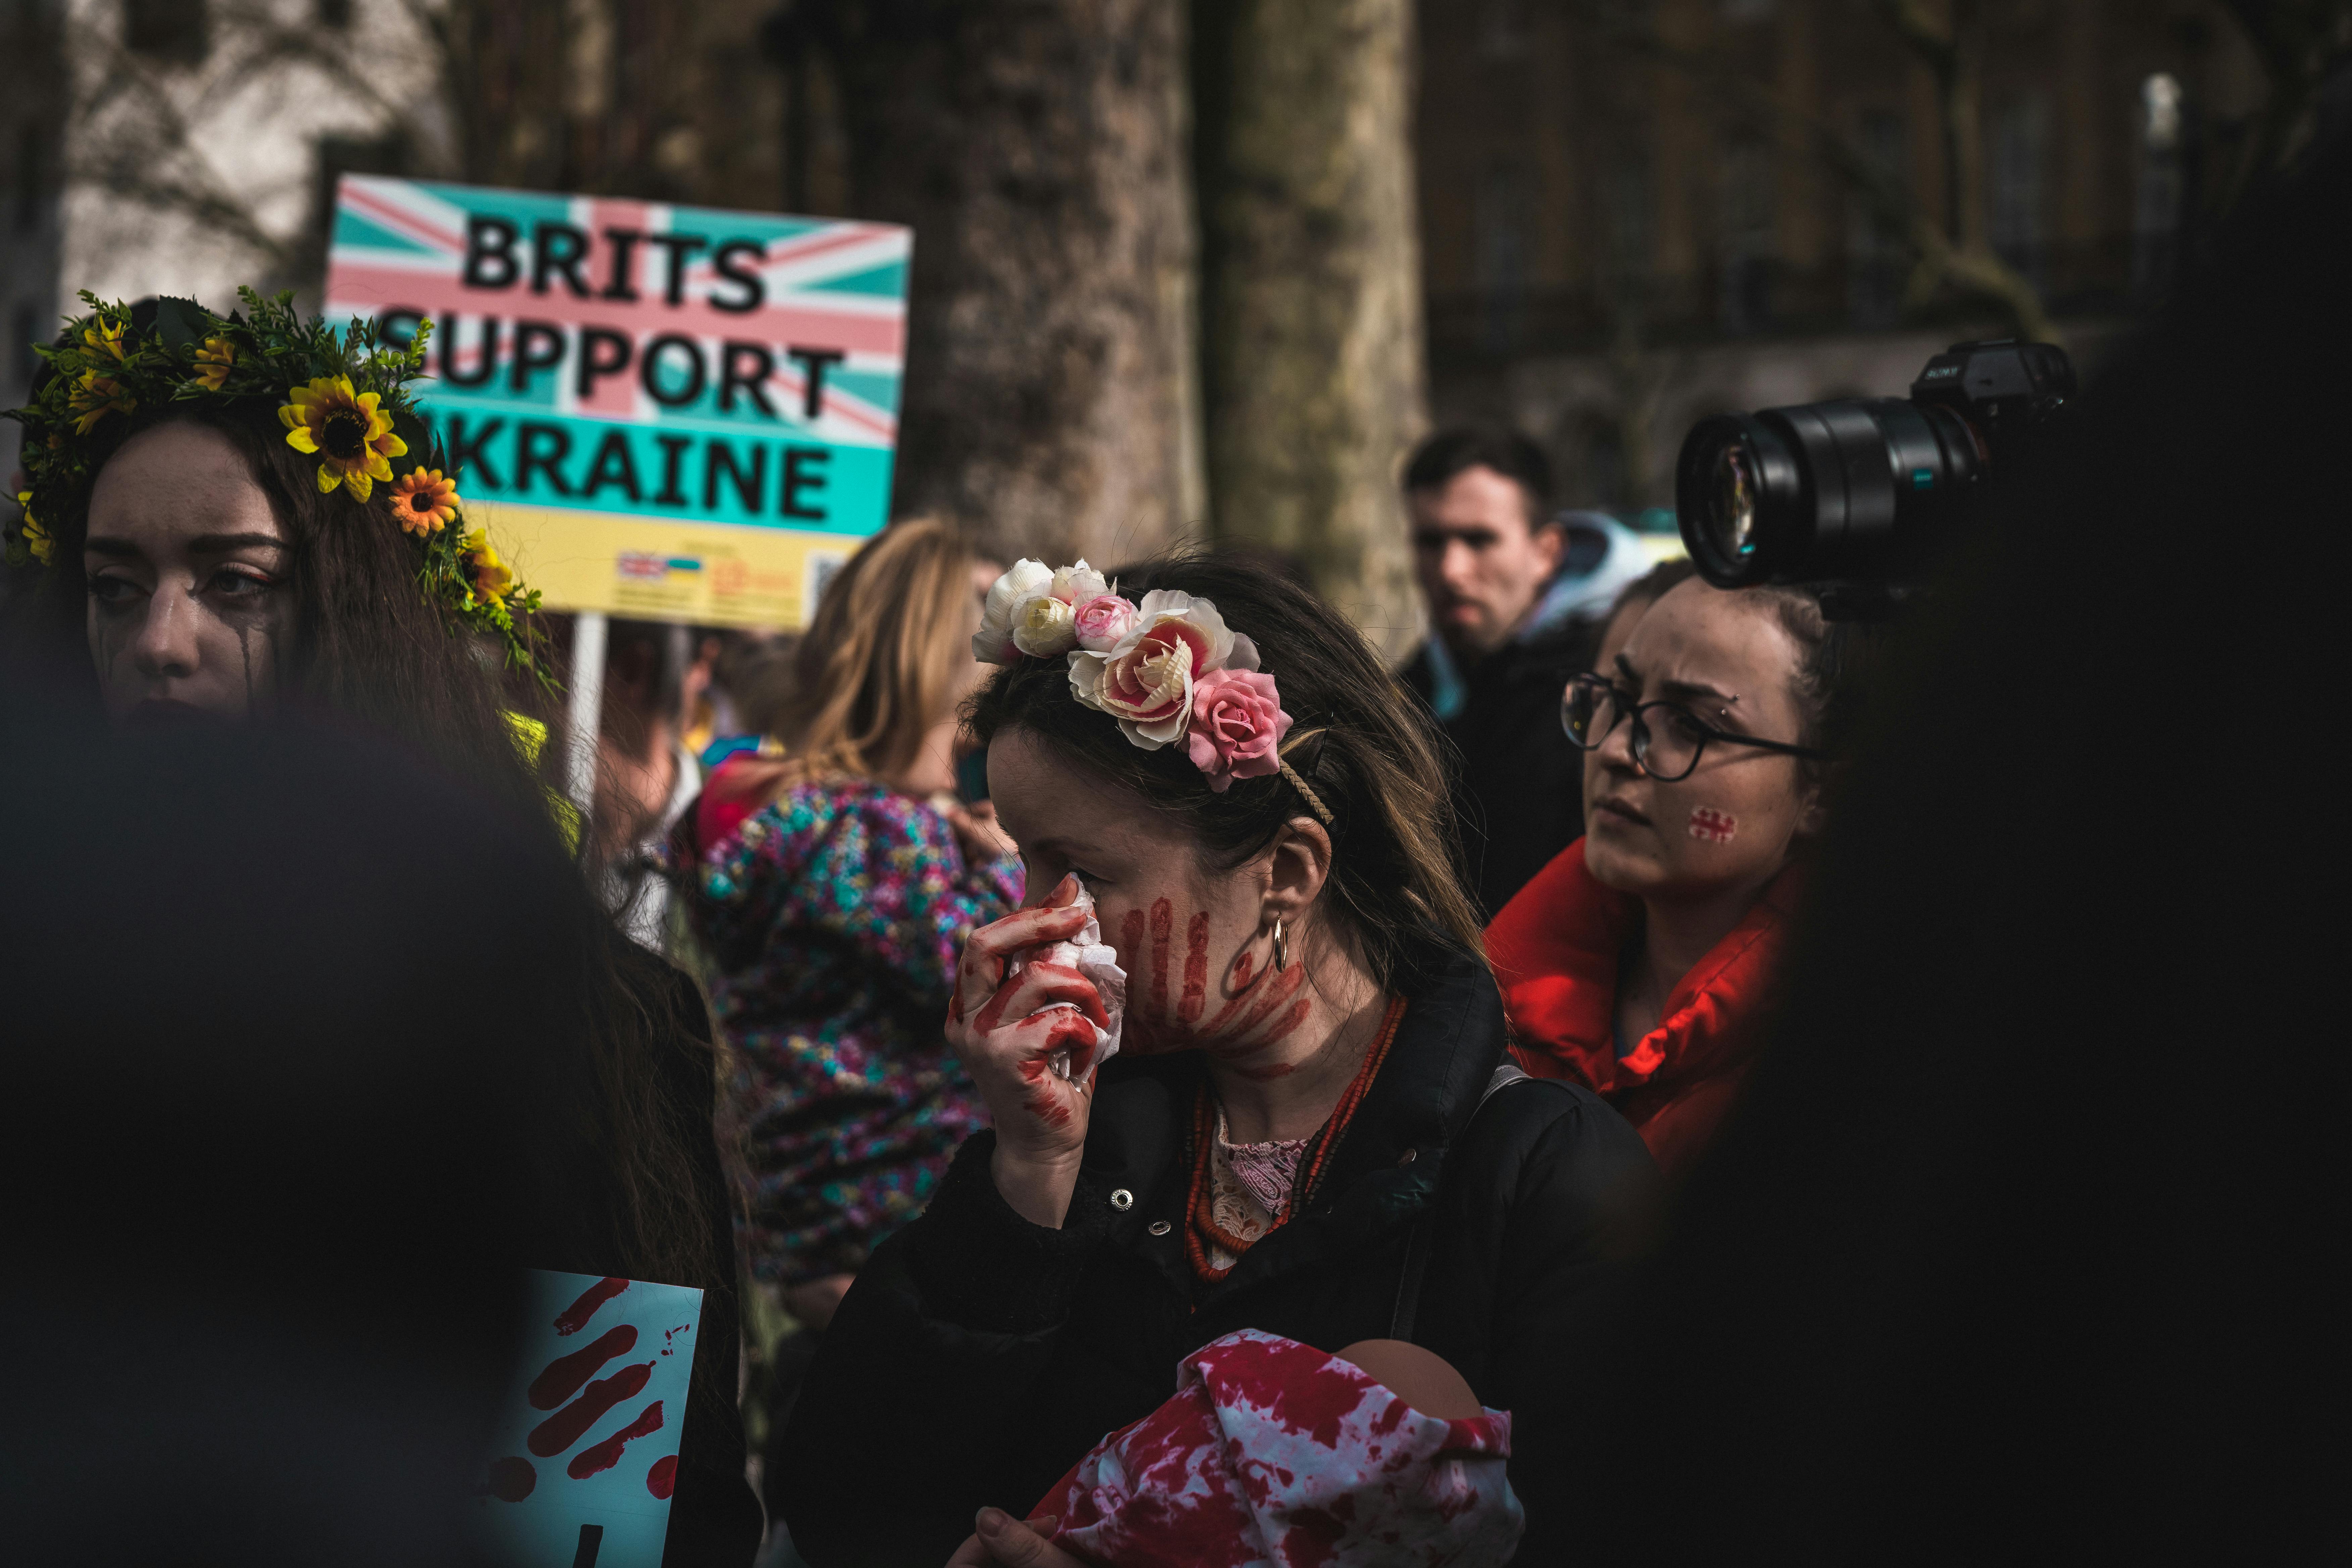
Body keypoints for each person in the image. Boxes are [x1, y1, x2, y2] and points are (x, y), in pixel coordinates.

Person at [2, 292, 762, 1565]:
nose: (162, 642)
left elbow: (604, 1501)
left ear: (350, 609)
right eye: (113, 586)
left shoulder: (581, 1014)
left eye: (235, 584)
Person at [772, 550, 1658, 1567]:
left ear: (1288, 871)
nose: (1034, 917)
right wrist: (1025, 1179)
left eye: (1083, 870)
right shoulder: (1090, 1135)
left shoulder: (1538, 1178)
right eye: (1024, 859)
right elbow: (849, 1508)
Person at [667, 520, 1023, 1350]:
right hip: (890, 1229)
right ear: (936, 661)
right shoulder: (879, 833)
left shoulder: (778, 806)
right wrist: (1013, 871)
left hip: (799, 1218)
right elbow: (975, 970)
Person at [1486, 576, 1866, 1176]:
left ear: (1822, 792)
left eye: (1692, 725)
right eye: (1618, 698)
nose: (1616, 750)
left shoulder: (1844, 1070)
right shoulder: (1485, 1009)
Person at [1398, 427, 1625, 920]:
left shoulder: (1607, 696)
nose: (1451, 569)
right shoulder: (1395, 701)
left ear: (1547, 552)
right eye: (1430, 541)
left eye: (1479, 540)